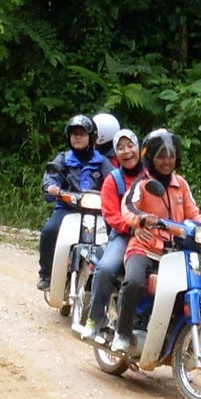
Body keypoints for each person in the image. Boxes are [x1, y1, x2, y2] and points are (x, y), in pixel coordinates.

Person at [110, 128, 201, 357]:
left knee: (191, 289)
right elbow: (128, 207)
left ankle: (178, 338)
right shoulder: (141, 184)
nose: (167, 161)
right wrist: (141, 220)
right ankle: (122, 334)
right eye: (161, 155)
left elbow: (194, 213)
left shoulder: (180, 184)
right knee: (134, 282)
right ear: (150, 157)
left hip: (175, 252)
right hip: (145, 247)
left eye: (171, 155)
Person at [81, 128, 144, 343]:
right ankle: (94, 319)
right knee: (107, 268)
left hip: (151, 237)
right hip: (123, 235)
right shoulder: (112, 180)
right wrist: (132, 229)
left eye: (130, 145)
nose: (127, 151)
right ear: (115, 154)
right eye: (121, 147)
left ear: (139, 148)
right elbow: (111, 215)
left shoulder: (150, 176)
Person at [38, 115, 105, 291]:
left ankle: (102, 281)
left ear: (91, 137)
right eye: (74, 134)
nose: (77, 137)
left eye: (82, 134)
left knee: (110, 239)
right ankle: (46, 273)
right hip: (67, 209)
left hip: (96, 212)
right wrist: (52, 187)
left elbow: (116, 181)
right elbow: (50, 176)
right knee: (50, 231)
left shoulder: (101, 161)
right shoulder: (63, 158)